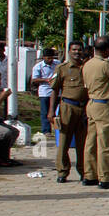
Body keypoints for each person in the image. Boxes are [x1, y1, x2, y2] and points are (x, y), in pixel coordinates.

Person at [81, 36, 109, 189]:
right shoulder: (105, 65)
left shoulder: (87, 64)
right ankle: (106, 177)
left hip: (92, 103)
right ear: (107, 49)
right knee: (105, 144)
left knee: (90, 142)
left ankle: (90, 174)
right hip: (104, 105)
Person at [47, 42, 88, 182]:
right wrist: (51, 111)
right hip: (67, 107)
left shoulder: (86, 68)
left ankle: (84, 172)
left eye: (80, 50)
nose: (77, 52)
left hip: (84, 108)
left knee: (83, 143)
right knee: (64, 141)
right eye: (74, 50)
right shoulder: (62, 68)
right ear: (69, 51)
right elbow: (54, 90)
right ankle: (62, 172)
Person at [0, 70, 20, 166]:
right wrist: (2, 97)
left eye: (0, 80)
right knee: (5, 133)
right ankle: (0, 158)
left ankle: (2, 156)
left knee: (14, 131)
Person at [30, 47, 59, 137]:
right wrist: (46, 80)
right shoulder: (38, 67)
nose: (50, 60)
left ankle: (58, 129)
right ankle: (46, 130)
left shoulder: (57, 64)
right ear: (44, 57)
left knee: (57, 111)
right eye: (48, 58)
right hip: (45, 91)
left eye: (51, 58)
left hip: (56, 91)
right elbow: (34, 80)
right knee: (45, 111)